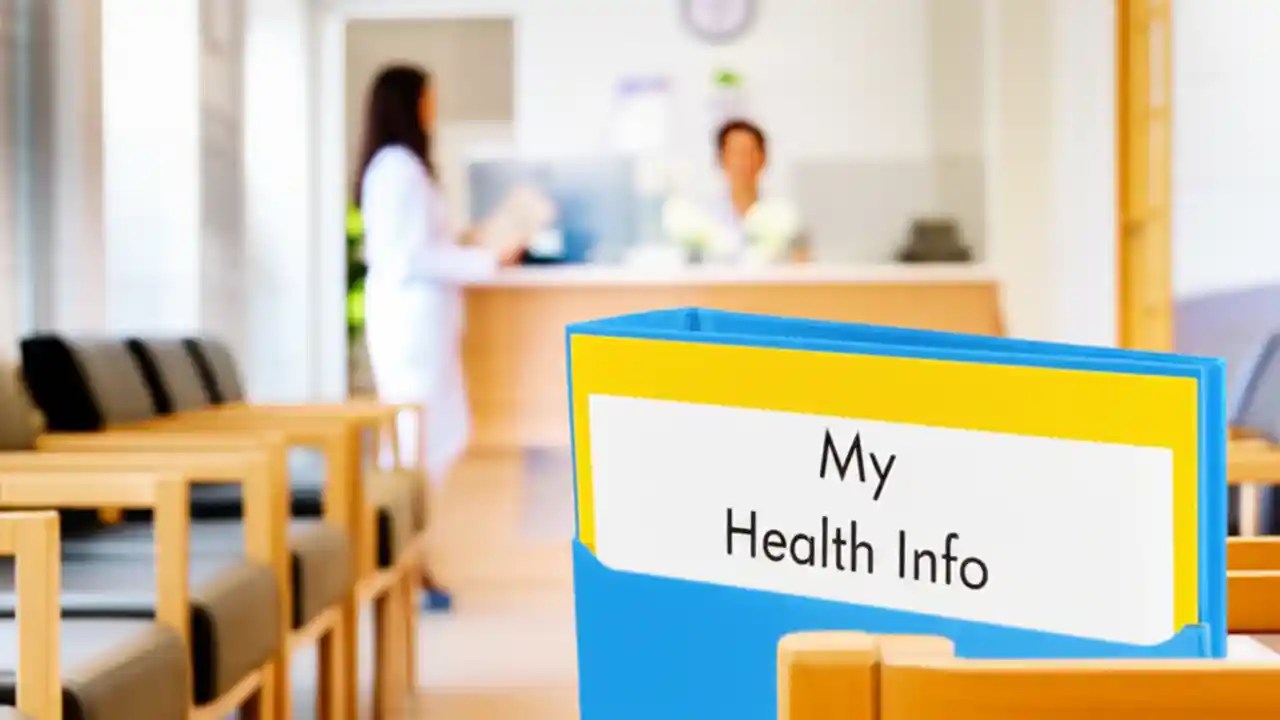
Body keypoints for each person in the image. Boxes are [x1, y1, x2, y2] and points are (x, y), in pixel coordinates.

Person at [354, 64, 524, 611]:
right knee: (416, 443)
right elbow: (409, 256)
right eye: (428, 99)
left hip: (422, 325)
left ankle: (411, 561)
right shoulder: (396, 167)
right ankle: (404, 566)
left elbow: (421, 243)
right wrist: (484, 260)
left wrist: (475, 241)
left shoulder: (404, 168)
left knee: (433, 438)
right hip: (410, 327)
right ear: (409, 103)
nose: (434, 109)